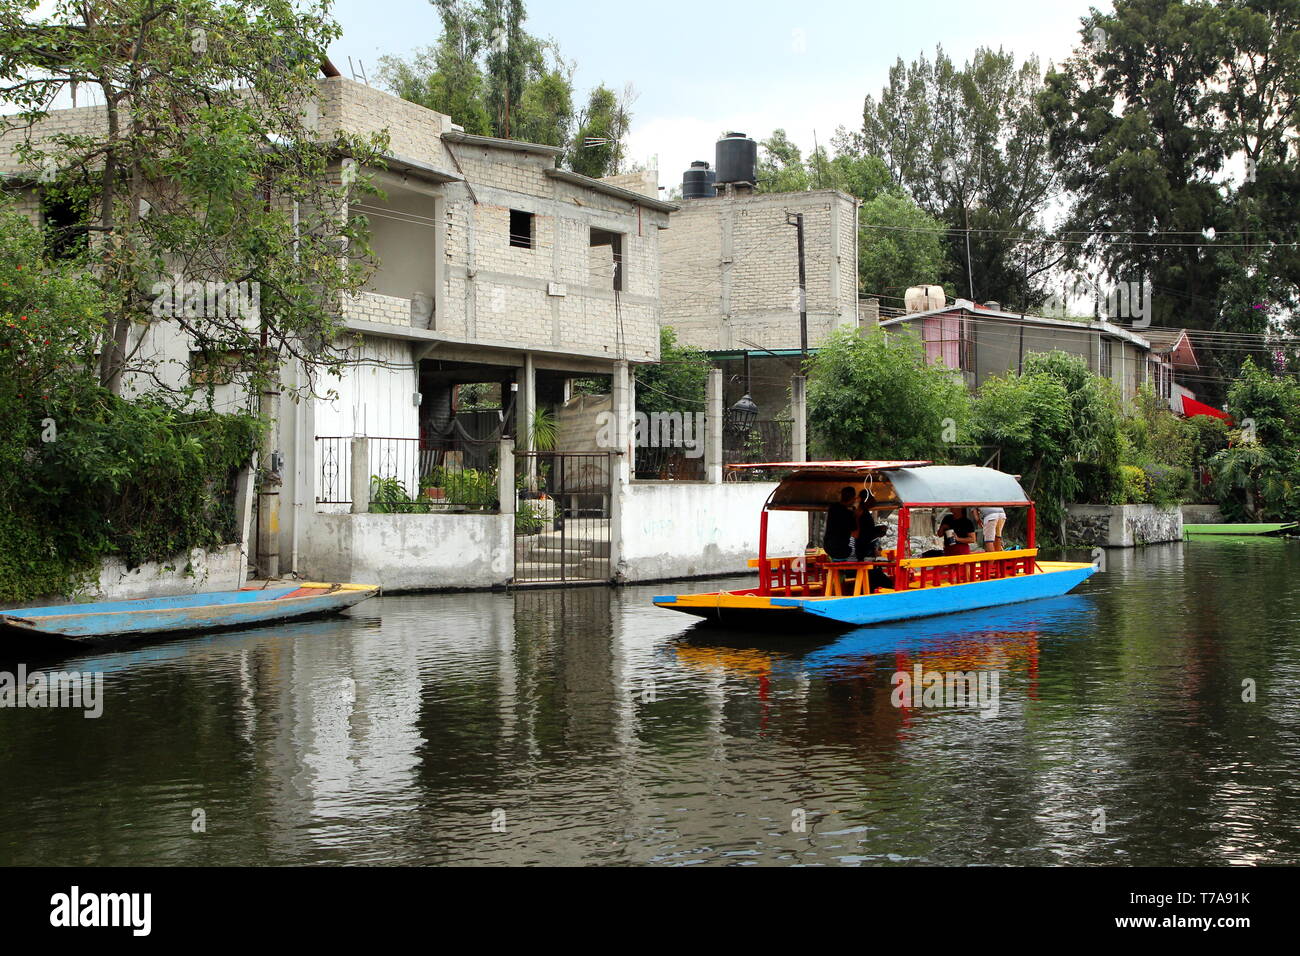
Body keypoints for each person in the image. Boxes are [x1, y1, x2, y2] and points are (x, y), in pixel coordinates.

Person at [823, 486, 858, 561]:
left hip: (828, 547)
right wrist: (856, 515)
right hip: (841, 550)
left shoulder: (832, 508)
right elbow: (855, 534)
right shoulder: (849, 514)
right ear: (853, 499)